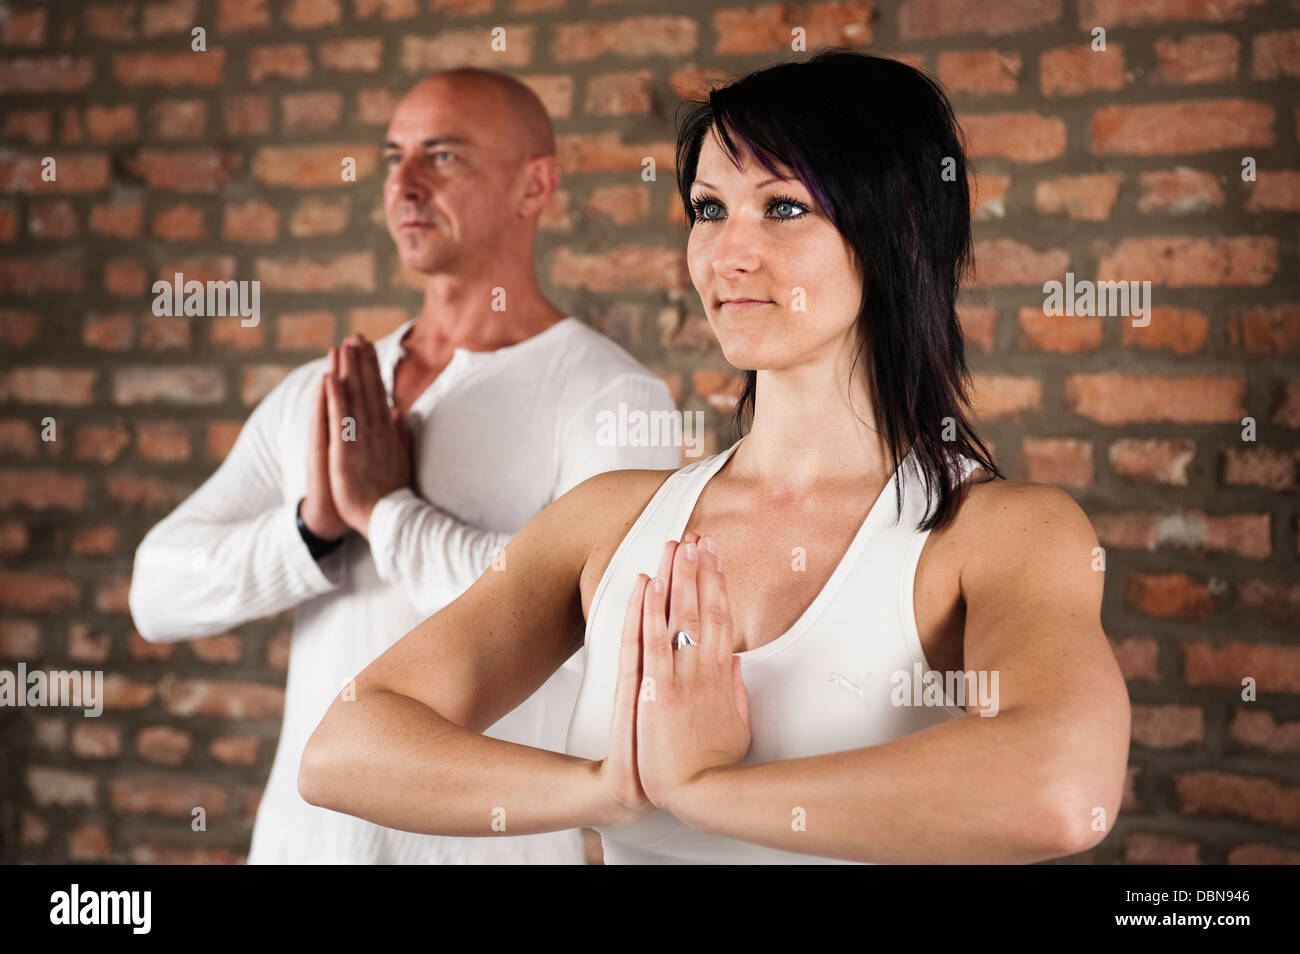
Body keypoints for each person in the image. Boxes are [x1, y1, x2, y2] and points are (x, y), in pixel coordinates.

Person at [298, 50, 1131, 864]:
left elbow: (1063, 790)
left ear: (897, 229)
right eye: (708, 209)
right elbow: (343, 745)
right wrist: (607, 789)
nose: (727, 253)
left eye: (782, 208)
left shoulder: (1002, 536)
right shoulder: (607, 519)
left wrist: (699, 790)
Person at [127, 68, 680, 864]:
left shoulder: (607, 394)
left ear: (536, 186)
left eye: (443, 156)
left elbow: (598, 635)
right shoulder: (324, 394)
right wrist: (314, 529)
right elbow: (156, 593)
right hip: (302, 844)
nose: (404, 184)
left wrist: (386, 511)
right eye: (393, 158)